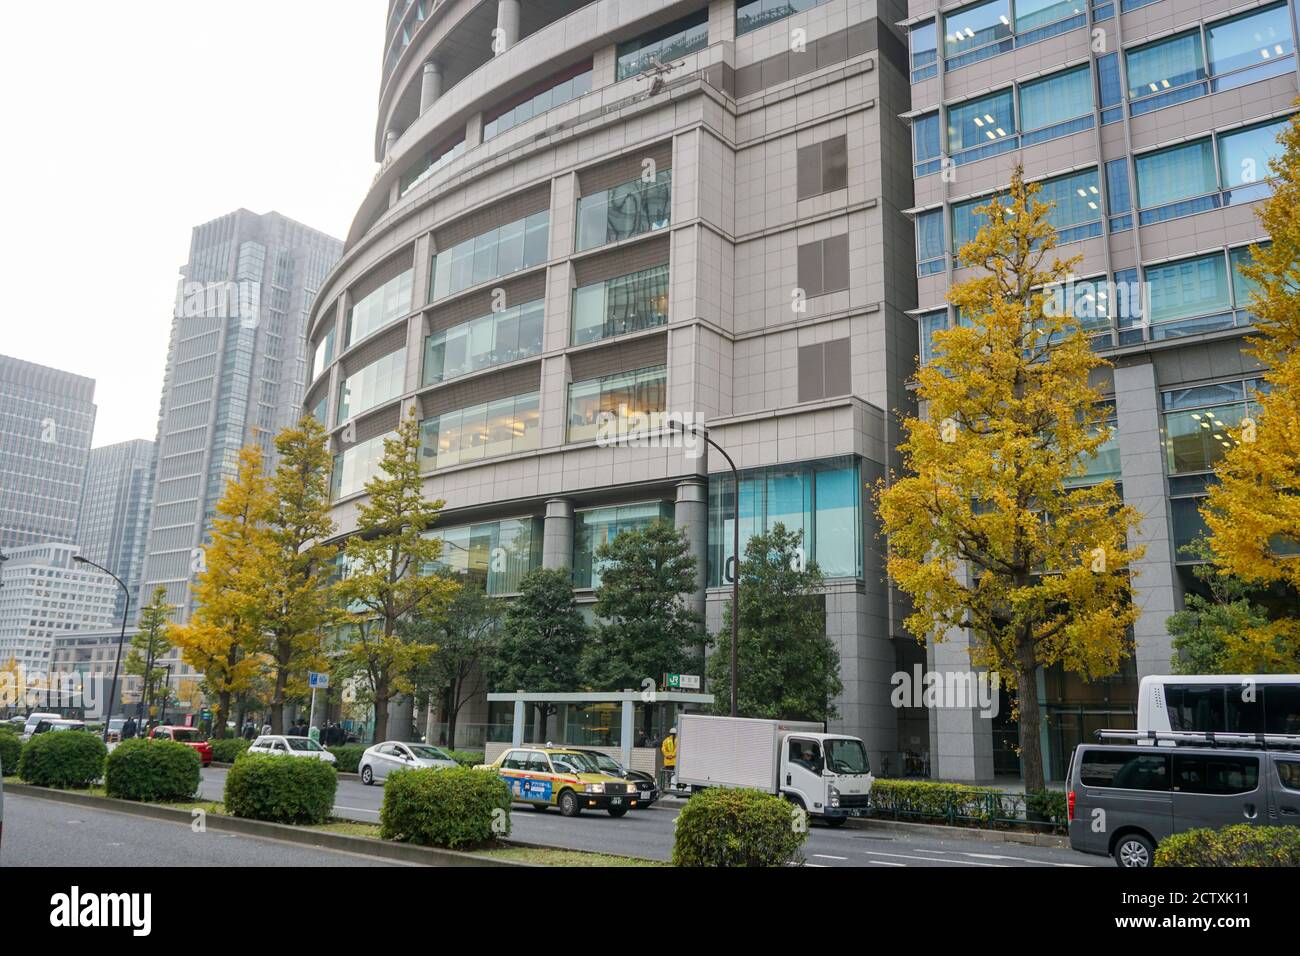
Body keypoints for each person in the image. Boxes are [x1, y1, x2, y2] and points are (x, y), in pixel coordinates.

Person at [660, 726, 677, 791]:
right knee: (674, 774)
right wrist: (672, 755)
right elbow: (676, 750)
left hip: (667, 761)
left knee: (668, 774)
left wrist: (667, 755)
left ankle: (669, 785)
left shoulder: (666, 740)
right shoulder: (677, 740)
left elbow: (663, 749)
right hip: (674, 761)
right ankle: (672, 786)